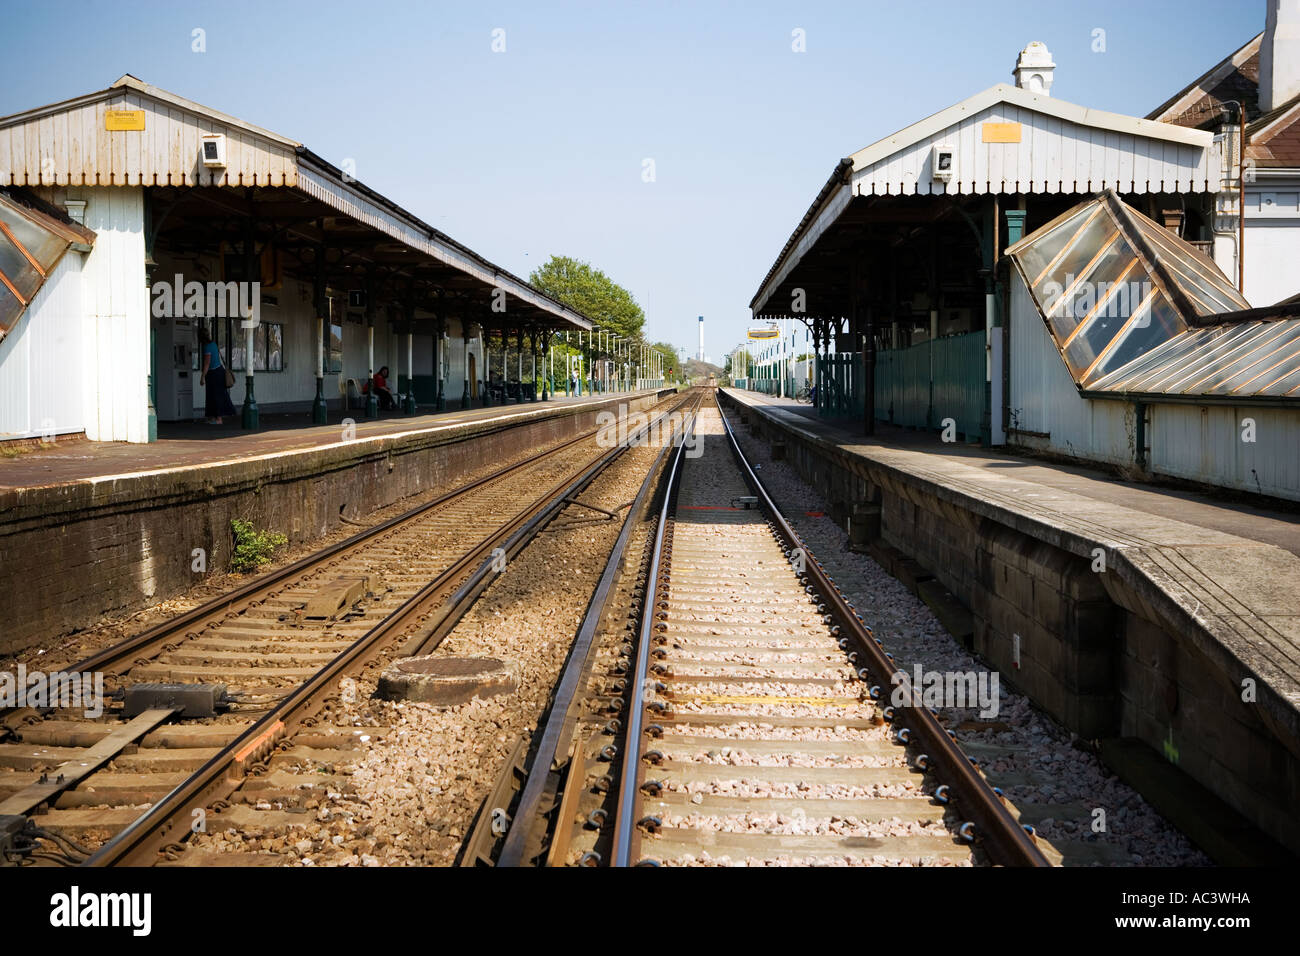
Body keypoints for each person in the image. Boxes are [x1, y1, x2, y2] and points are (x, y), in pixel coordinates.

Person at [198, 328, 236, 425]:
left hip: (213, 374)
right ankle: (214, 418)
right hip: (219, 372)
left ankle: (218, 419)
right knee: (216, 395)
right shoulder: (214, 344)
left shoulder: (207, 347)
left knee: (214, 396)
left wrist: (202, 377)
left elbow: (207, 364)